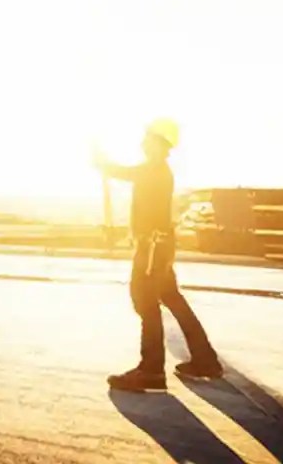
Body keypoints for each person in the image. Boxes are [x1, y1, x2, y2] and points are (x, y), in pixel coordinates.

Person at [95, 119, 223, 391]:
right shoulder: (158, 169)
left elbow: (118, 171)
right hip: (161, 245)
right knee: (171, 298)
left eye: (146, 138)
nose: (141, 142)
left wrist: (97, 155)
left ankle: (151, 370)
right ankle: (205, 360)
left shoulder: (153, 169)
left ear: (157, 142)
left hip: (152, 247)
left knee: (146, 303)